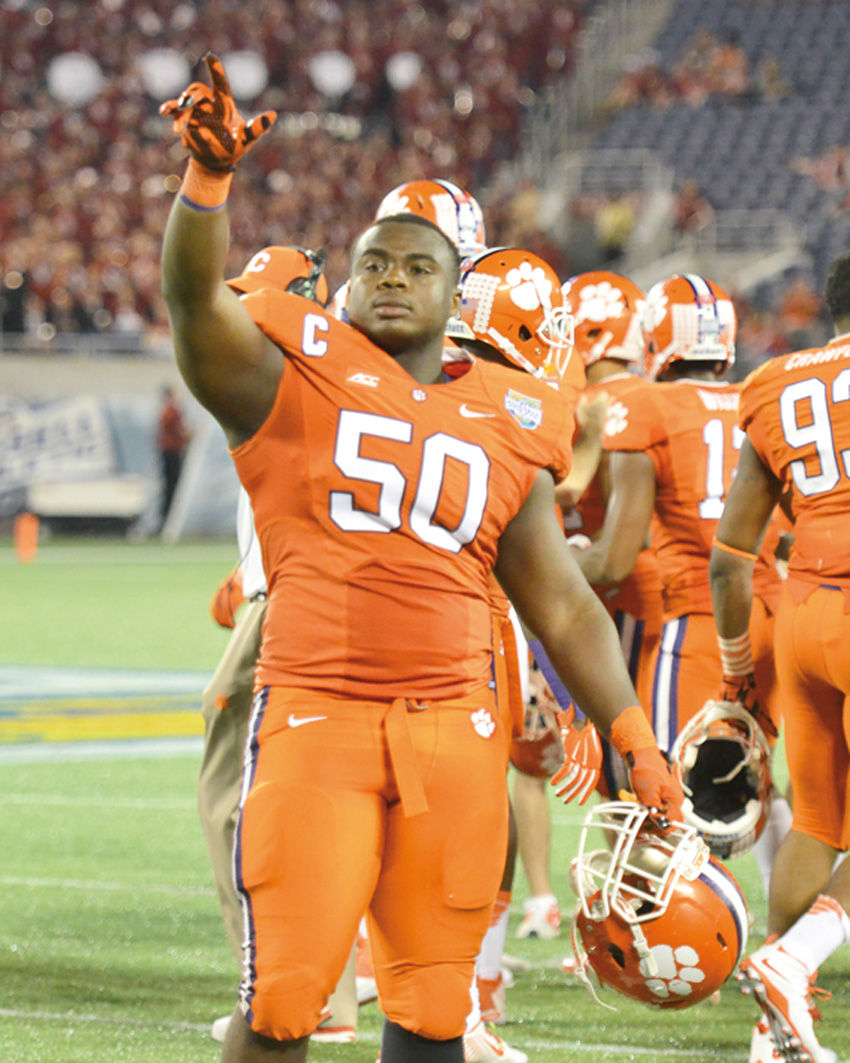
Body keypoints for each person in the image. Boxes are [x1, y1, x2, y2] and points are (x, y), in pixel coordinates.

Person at [160, 54, 683, 1063]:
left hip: (453, 728)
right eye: (374, 263)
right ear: (347, 281)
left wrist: (633, 732)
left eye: (417, 266)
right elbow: (193, 302)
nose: (390, 277)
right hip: (318, 717)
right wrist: (206, 187)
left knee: (435, 1011)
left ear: (458, 295)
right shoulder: (292, 370)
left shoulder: (504, 413)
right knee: (282, 1003)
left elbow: (562, 601)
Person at [564, 272, 791, 891]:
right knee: (749, 778)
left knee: (669, 788)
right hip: (768, 617)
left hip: (690, 620)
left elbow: (614, 558)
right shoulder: (756, 394)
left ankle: (687, 940)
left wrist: (544, 566)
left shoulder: (646, 404)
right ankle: (774, 945)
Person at [710, 252, 850, 1063]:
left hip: (802, 614)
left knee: (823, 821)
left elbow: (731, 555)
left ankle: (773, 1032)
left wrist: (738, 677)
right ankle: (793, 961)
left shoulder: (777, 383)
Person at [156, 383, 190, 530]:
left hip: (168, 450)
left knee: (169, 484)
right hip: (172, 451)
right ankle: (168, 517)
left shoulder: (165, 410)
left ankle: (166, 517)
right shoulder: (171, 410)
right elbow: (177, 429)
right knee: (172, 484)